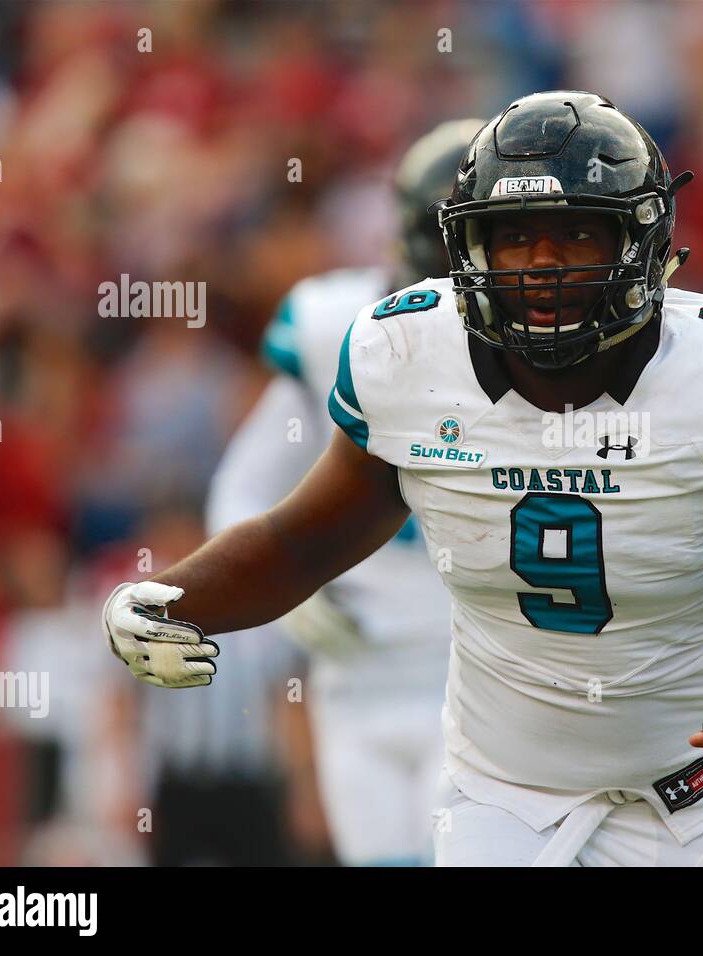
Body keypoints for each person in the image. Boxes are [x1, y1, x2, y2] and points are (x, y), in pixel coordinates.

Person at [103, 91, 703, 867]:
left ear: (643, 242)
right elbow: (297, 544)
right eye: (515, 238)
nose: (541, 268)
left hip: (702, 800)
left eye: (576, 237)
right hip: (504, 802)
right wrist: (160, 601)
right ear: (467, 248)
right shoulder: (408, 358)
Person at [204, 120, 482, 865]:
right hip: (356, 670)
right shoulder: (334, 325)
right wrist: (291, 594)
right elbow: (244, 481)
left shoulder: (539, 350)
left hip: (475, 673)